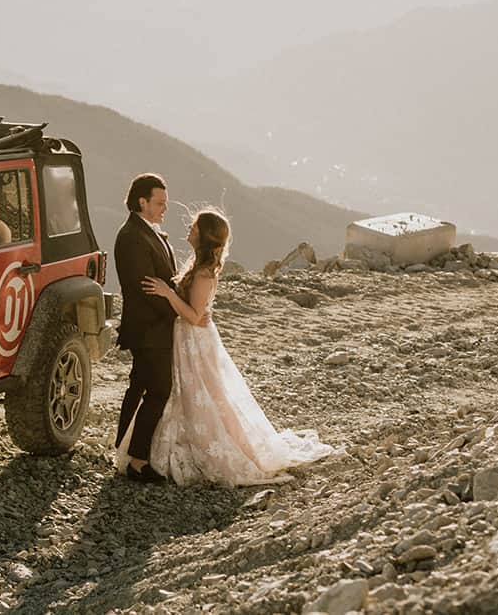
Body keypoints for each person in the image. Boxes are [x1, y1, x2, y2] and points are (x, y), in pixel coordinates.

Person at [116, 208, 337, 485]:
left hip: (194, 340)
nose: (189, 229)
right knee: (186, 394)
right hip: (185, 338)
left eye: (194, 227)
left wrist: (168, 294)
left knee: (202, 393)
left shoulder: (205, 273)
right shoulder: (199, 265)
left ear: (205, 236)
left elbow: (196, 317)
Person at [113, 174, 210, 483]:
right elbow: (146, 290)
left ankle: (125, 452)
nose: (165, 209)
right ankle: (138, 461)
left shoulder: (150, 233)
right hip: (149, 328)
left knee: (140, 387)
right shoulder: (131, 237)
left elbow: (163, 284)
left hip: (157, 327)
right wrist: (181, 313)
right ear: (142, 201)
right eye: (160, 203)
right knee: (158, 391)